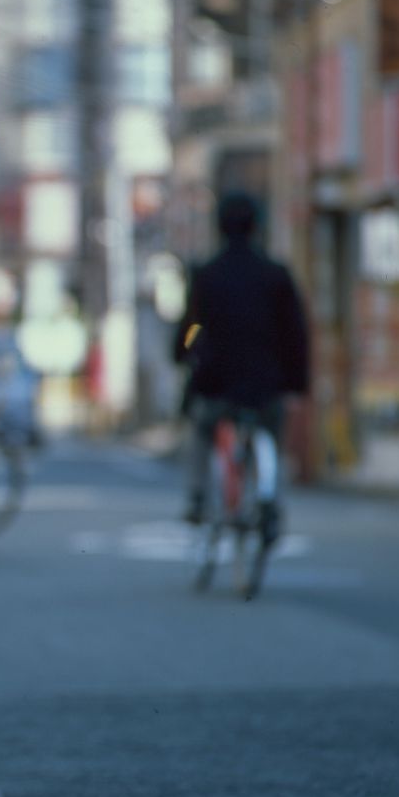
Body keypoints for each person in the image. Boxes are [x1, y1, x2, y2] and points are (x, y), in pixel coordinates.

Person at [173, 190, 309, 541]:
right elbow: (295, 334)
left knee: (201, 430)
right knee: (271, 435)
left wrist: (182, 354)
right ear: (256, 226)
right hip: (266, 383)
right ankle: (270, 502)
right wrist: (296, 384)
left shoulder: (207, 275)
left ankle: (197, 497)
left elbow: (191, 327)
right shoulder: (276, 275)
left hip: (217, 382)